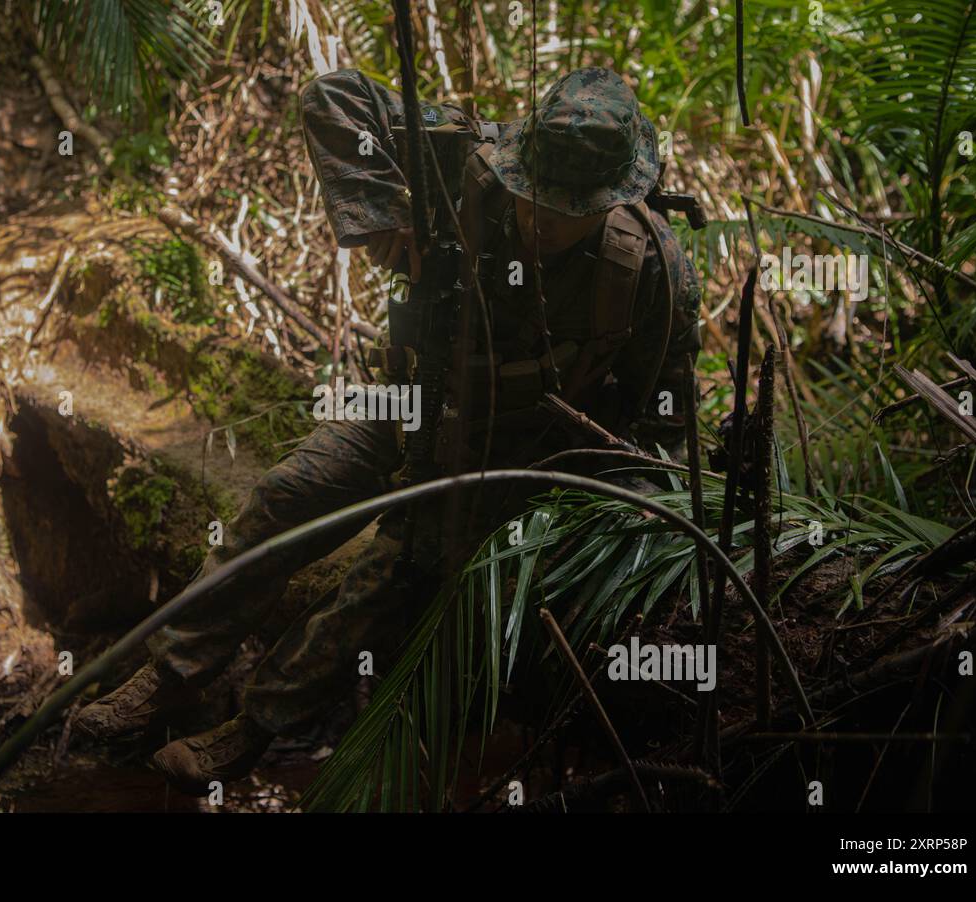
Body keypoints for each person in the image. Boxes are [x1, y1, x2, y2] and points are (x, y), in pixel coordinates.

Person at [73, 67, 703, 795]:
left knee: (395, 569)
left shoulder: (650, 268)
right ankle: (170, 676)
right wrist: (383, 218)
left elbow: (666, 419)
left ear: (612, 201)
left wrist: (624, 523)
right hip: (406, 400)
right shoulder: (467, 160)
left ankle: (252, 729)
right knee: (288, 492)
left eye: (566, 210)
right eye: (534, 193)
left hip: (519, 455)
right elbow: (331, 98)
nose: (541, 218)